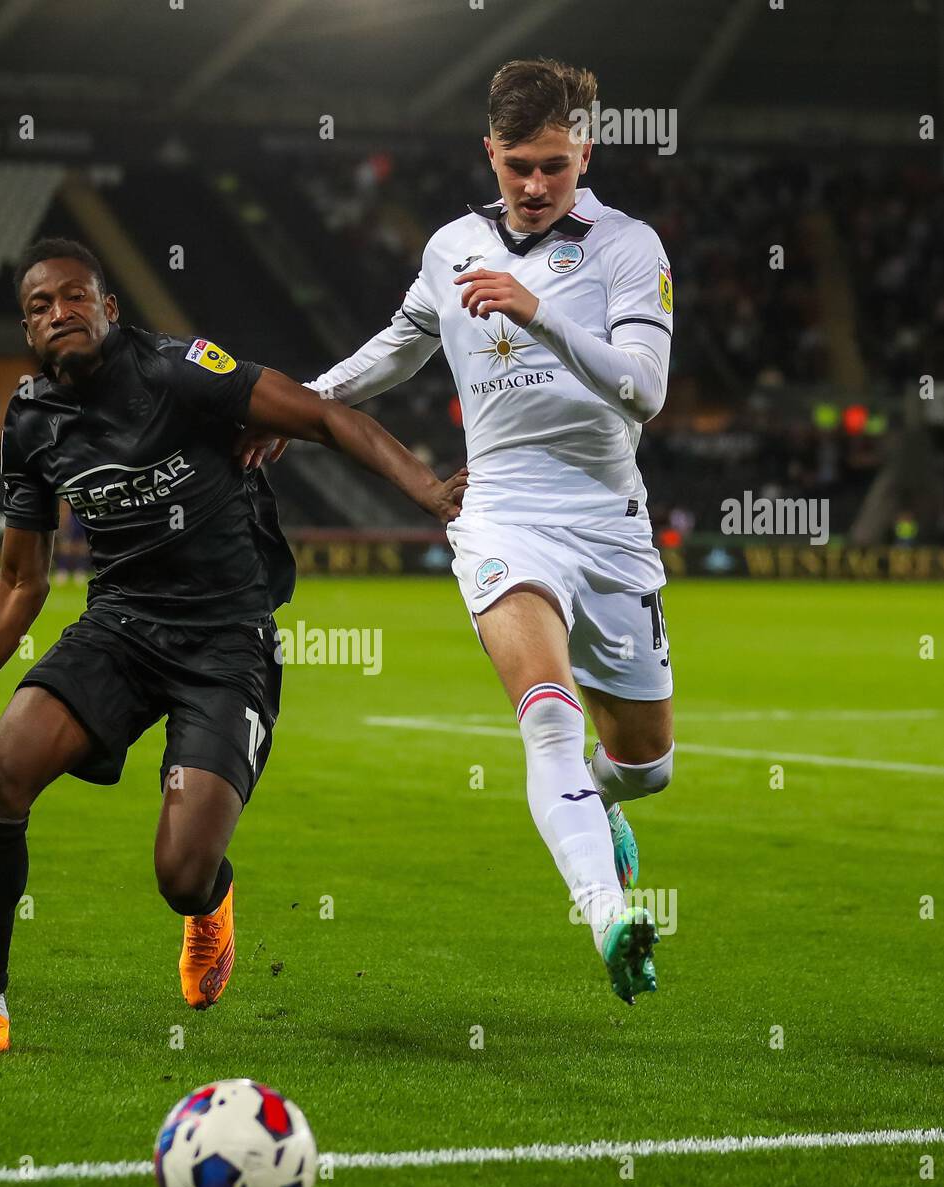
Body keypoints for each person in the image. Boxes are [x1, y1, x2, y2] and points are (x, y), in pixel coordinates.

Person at [0, 237, 466, 1061]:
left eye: (76, 296)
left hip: (226, 642)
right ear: (27, 330)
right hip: (120, 628)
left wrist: (429, 490)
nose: (60, 313)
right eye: (41, 306)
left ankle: (210, 904)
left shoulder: (180, 370)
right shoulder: (31, 420)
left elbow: (325, 415)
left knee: (181, 873)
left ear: (110, 308)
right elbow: (20, 583)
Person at [241, 59, 675, 1004]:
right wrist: (299, 405)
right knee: (550, 716)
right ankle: (610, 914)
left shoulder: (629, 248)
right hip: (502, 516)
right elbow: (398, 346)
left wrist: (540, 312)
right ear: (489, 150)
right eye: (517, 163)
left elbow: (645, 391)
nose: (532, 185)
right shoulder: (448, 249)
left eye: (553, 166)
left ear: (585, 151)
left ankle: (601, 805)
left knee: (646, 768)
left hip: (610, 526)